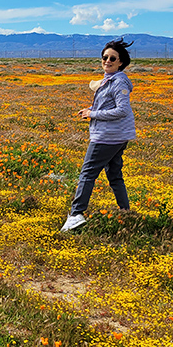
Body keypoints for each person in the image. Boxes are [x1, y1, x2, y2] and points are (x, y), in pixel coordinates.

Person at [61, 38, 136, 232]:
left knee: (87, 173)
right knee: (114, 175)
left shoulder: (118, 82)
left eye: (113, 58)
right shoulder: (109, 80)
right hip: (116, 137)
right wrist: (91, 109)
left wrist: (93, 114)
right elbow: (108, 106)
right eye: (105, 57)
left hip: (107, 137)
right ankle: (126, 212)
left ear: (121, 62)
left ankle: (76, 214)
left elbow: (122, 110)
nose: (107, 61)